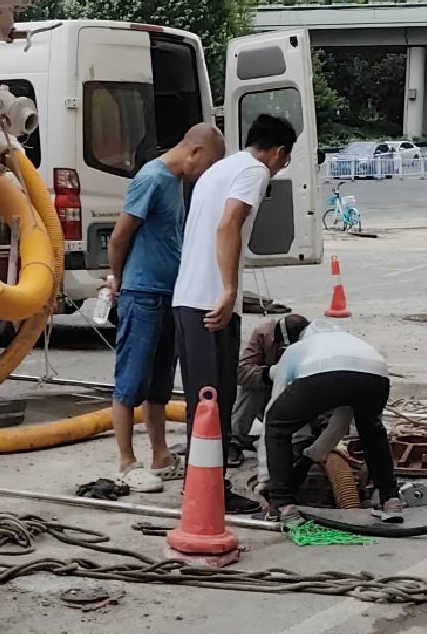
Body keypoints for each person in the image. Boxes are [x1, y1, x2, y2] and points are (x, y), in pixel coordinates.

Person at [104, 122, 224, 492]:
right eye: (206, 165)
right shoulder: (151, 179)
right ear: (195, 151)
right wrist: (118, 281)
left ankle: (160, 456)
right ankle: (126, 462)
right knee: (130, 381)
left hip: (170, 294)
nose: (203, 174)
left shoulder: (176, 182)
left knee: (159, 384)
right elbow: (119, 236)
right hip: (142, 293)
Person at [171, 111, 297, 451]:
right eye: (284, 161)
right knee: (215, 403)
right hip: (211, 302)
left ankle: (202, 478)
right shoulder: (255, 171)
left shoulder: (218, 170)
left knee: (201, 403)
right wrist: (229, 291)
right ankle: (211, 480)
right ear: (279, 152)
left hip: (187, 300)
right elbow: (229, 225)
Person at [264, 319, 403, 525]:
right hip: (375, 375)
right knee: (372, 432)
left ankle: (282, 505)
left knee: (276, 425)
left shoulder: (295, 350)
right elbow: (342, 421)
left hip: (321, 376)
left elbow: (274, 409)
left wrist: (266, 481)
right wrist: (312, 454)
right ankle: (390, 500)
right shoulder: (348, 340)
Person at [230, 311, 308, 461]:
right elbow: (241, 372)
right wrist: (269, 373)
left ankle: (296, 442)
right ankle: (234, 439)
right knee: (250, 389)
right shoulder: (263, 335)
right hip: (267, 393)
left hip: (296, 396)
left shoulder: (313, 343)